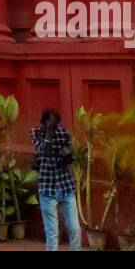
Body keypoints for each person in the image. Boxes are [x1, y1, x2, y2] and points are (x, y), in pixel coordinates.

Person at [30, 108, 81, 251]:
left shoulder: (63, 133)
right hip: (47, 187)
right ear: (45, 121)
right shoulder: (35, 132)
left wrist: (67, 157)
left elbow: (69, 155)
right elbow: (43, 151)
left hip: (65, 186)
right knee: (52, 232)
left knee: (74, 228)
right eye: (52, 122)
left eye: (56, 123)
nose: (55, 125)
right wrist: (49, 133)